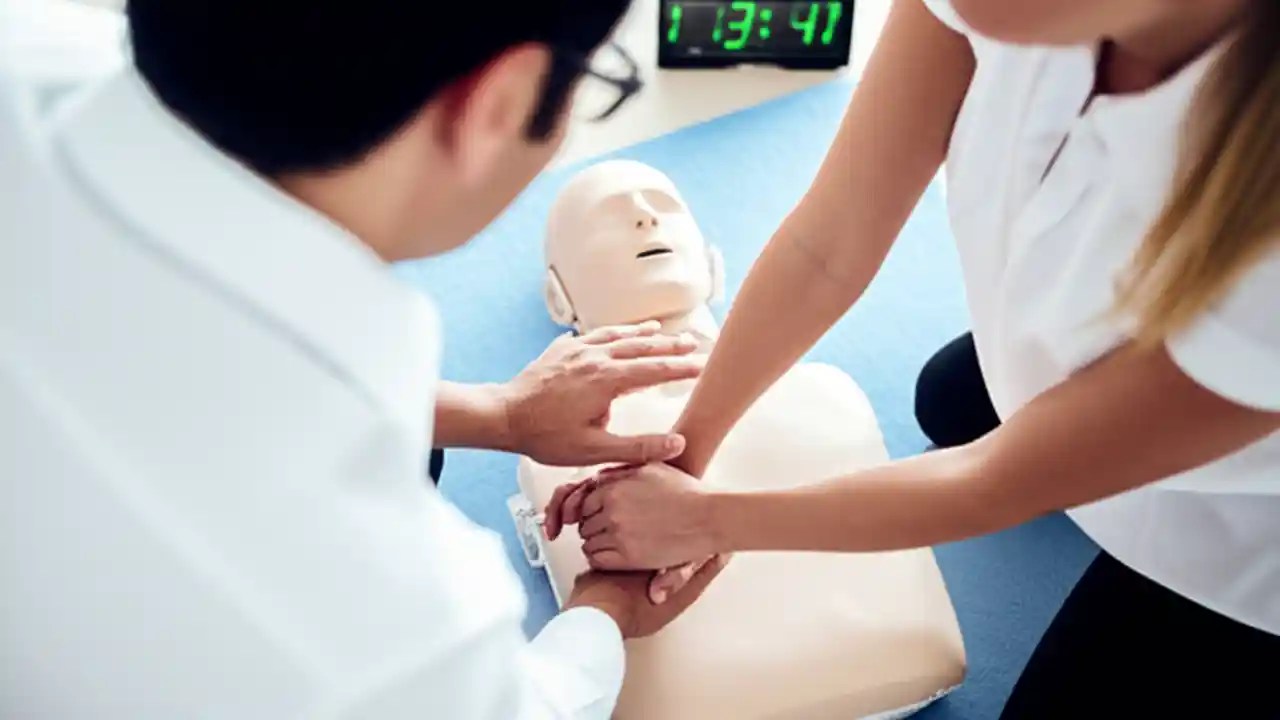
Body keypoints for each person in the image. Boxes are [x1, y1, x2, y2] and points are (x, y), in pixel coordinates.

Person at [548, 0, 1280, 715]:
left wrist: (713, 522)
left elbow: (993, 480)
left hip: (1241, 536)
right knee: (947, 400)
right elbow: (828, 244)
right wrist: (686, 446)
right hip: (1123, 341)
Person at [0, 0, 725, 717]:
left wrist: (497, 415)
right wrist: (606, 612)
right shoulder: (385, 645)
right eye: (596, 78)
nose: (642, 219)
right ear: (498, 105)